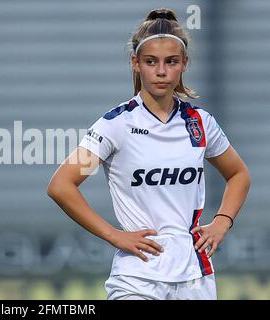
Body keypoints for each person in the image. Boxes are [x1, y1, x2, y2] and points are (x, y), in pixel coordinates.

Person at [46, 8, 251, 300]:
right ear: (135, 63)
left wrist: (222, 221)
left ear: (184, 64)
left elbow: (239, 174)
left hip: (194, 276)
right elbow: (60, 185)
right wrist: (114, 235)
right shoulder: (115, 124)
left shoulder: (200, 122)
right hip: (136, 278)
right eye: (151, 61)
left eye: (171, 62)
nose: (162, 71)